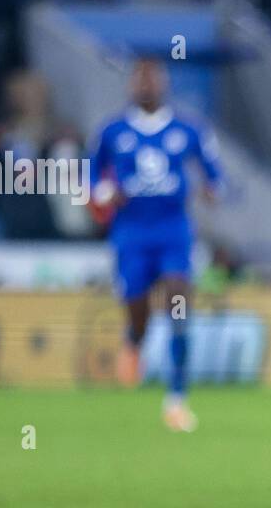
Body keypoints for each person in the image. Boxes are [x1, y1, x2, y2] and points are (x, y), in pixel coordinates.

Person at [89, 58, 222, 432]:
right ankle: (133, 340)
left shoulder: (188, 129)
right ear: (132, 85)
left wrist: (214, 189)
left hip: (173, 230)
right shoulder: (112, 131)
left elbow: (215, 173)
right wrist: (102, 192)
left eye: (152, 79)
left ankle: (177, 399)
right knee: (138, 309)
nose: (146, 85)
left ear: (164, 84)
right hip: (131, 233)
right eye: (140, 79)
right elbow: (91, 170)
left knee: (179, 302)